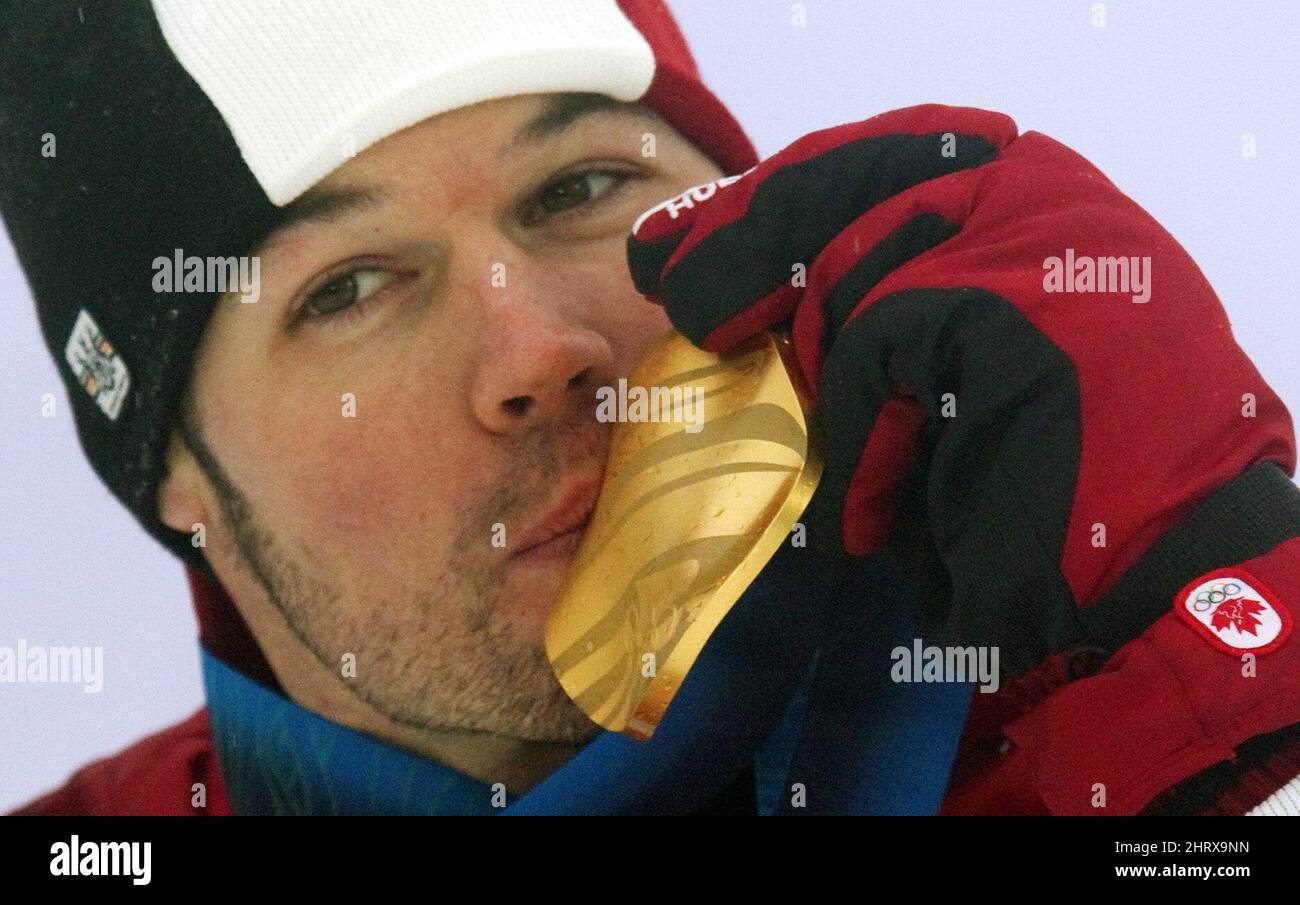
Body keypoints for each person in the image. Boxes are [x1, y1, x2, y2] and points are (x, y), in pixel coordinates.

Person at [2, 0, 1297, 816]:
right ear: (174, 468)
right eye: (346, 287)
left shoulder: (1117, 702)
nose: (541, 349)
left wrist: (1219, 620)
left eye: (577, 189)